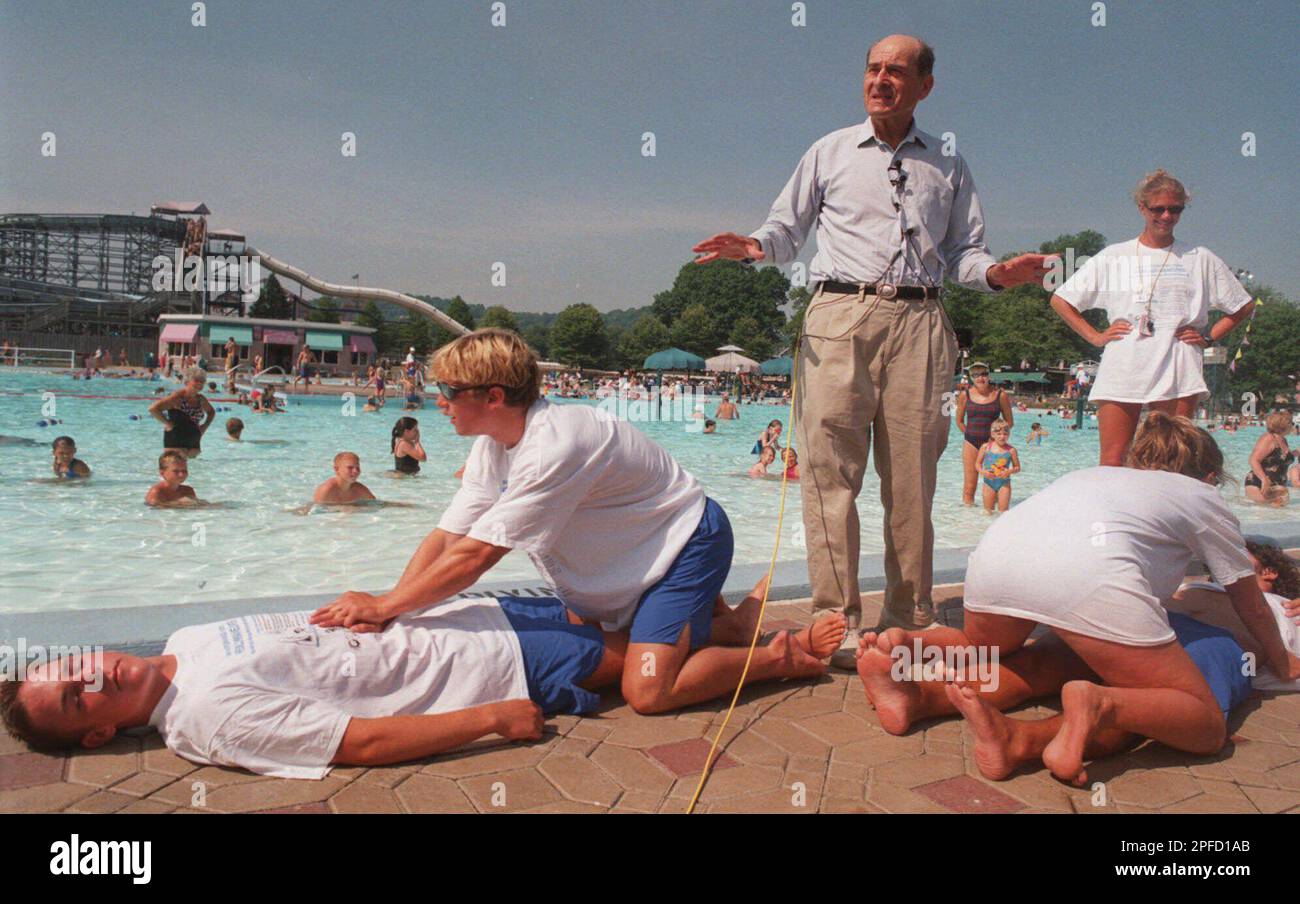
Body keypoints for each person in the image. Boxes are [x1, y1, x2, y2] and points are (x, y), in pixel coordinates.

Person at [693, 34, 1052, 670]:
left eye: (897, 70)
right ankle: (833, 616)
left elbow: (966, 251)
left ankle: (908, 618)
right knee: (830, 475)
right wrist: (751, 245)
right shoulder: (828, 150)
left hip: (923, 320)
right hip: (837, 315)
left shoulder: (949, 160)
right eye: (873, 68)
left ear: (925, 86)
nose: (880, 79)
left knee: (912, 479)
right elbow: (786, 231)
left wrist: (998, 276)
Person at [312, 329, 845, 714]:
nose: (439, 402)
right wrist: (391, 610)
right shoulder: (493, 445)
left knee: (647, 689)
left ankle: (782, 655)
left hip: (686, 541)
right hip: (628, 555)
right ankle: (728, 624)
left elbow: (476, 557)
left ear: (493, 397)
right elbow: (449, 537)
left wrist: (385, 606)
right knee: (600, 640)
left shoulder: (555, 445)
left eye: (449, 392)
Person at [854, 413, 1299, 784]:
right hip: (1091, 583)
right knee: (1204, 725)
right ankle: (1098, 702)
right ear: (1208, 476)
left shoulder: (1097, 474)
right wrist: (1282, 663)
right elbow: (1250, 602)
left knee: (999, 652)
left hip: (1000, 557)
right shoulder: (1202, 495)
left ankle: (914, 673)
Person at [1049, 170, 1256, 466]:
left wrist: (1209, 336)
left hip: (1177, 362)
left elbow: (1243, 305)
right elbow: (1061, 300)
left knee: (1172, 457)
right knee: (1113, 459)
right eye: (1158, 209)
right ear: (1142, 208)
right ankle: (1116, 513)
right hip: (1125, 362)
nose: (1167, 216)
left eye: (1175, 209)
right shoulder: (1114, 256)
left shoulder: (1199, 257)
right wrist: (1095, 336)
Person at [956, 363, 1014, 505]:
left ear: (989, 375)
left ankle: (991, 521)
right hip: (971, 444)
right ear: (971, 378)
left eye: (983, 374)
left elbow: (1009, 422)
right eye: (975, 375)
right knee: (969, 487)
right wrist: (969, 434)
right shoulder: (965, 395)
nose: (980, 378)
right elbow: (959, 421)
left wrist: (996, 441)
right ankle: (968, 520)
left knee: (994, 485)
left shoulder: (1000, 395)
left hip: (992, 446)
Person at [148, 366, 214, 459]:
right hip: (175, 441)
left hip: (193, 443)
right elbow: (153, 409)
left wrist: (204, 427)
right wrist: (168, 423)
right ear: (187, 381)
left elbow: (211, 412)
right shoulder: (177, 397)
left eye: (202, 380)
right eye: (196, 380)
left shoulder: (201, 399)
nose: (199, 382)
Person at [1244, 409, 1294, 507]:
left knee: (1277, 515)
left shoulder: (1283, 439)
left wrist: (1294, 454)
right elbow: (1253, 459)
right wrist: (1264, 480)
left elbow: (1278, 458)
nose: (1292, 425)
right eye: (1291, 422)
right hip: (1259, 483)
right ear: (1284, 424)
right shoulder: (1269, 438)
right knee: (1264, 513)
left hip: (1277, 485)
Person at [975, 419, 1019, 513]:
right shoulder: (986, 447)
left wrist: (1009, 471)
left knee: (1003, 512)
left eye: (1005, 434)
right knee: (988, 511)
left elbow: (1017, 467)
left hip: (1004, 483)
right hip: (988, 483)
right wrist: (983, 472)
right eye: (999, 434)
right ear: (992, 434)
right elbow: (977, 464)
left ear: (1009, 435)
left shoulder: (1011, 450)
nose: (1002, 436)